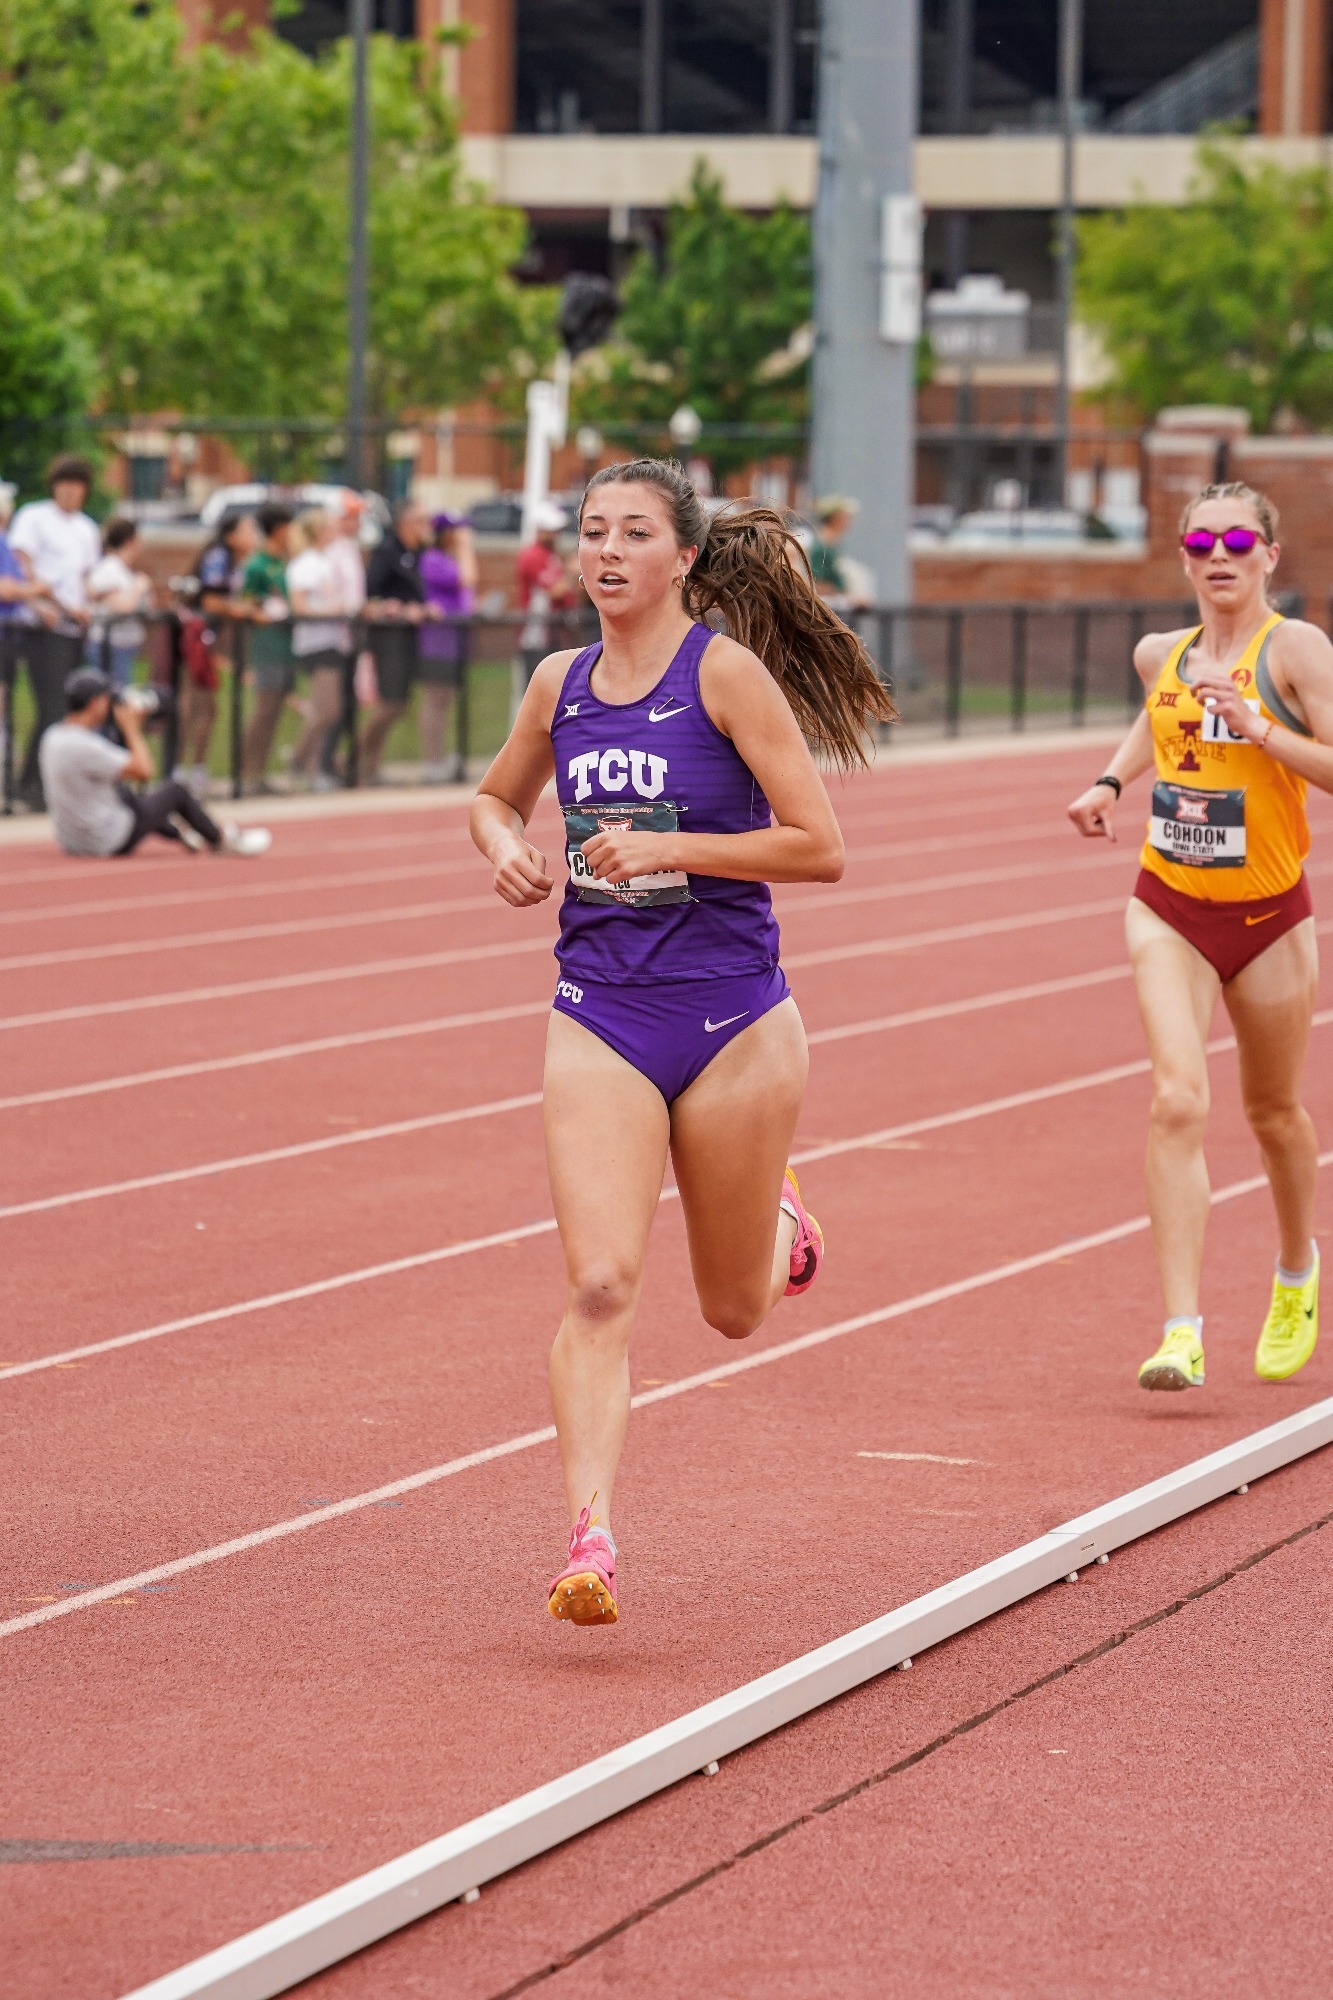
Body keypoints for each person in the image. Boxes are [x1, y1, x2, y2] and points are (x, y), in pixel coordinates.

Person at [470, 457, 895, 1625]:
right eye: (591, 530)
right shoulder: (559, 683)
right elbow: (494, 796)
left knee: (731, 1310)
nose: (605, 551)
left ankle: (779, 1224)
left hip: (733, 1021)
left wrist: (675, 850)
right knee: (600, 1280)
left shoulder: (729, 679)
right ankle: (590, 1534)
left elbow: (821, 846)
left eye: (632, 533)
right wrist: (500, 841)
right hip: (599, 1010)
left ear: (682, 558)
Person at [1068, 480, 1333, 1394]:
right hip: (1168, 904)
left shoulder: (1293, 649)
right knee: (1176, 1100)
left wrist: (1259, 726)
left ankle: (1296, 1271)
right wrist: (1108, 784)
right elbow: (1159, 716)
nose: (1217, 557)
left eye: (1235, 542)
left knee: (1271, 1113)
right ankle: (1180, 1329)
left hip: (1267, 918)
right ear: (1182, 558)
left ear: (1267, 555)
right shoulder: (1161, 652)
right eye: (1200, 544)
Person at [39, 667, 271, 859]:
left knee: (130, 797)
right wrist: (132, 729)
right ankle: (222, 840)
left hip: (70, 840)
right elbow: (144, 770)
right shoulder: (87, 746)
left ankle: (181, 834)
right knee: (174, 791)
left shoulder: (52, 737)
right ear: (95, 703)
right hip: (107, 839)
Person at [9, 454, 102, 809]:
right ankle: (30, 784)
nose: (69, 492)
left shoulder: (86, 529)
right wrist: (43, 605)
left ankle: (60, 783)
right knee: (51, 707)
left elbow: (85, 577)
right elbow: (23, 567)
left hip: (74, 628)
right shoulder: (35, 517)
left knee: (73, 710)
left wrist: (90, 603)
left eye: (76, 486)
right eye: (64, 484)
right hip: (44, 627)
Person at [181, 509, 260, 796]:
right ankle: (179, 769)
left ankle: (195, 768)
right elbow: (211, 601)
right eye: (248, 529)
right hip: (196, 635)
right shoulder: (218, 558)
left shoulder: (240, 562)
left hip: (212, 637)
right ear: (231, 535)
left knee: (208, 707)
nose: (254, 536)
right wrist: (239, 609)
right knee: (196, 704)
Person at [359, 498, 428, 785]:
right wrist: (392, 606)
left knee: (399, 703)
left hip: (411, 635)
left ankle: (370, 762)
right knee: (390, 702)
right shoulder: (387, 551)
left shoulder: (422, 553)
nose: (426, 528)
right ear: (405, 523)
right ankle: (360, 760)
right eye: (420, 521)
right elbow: (370, 590)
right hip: (388, 636)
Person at [286, 508, 350, 790]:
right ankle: (302, 762)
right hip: (315, 642)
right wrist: (331, 610)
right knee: (326, 709)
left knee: (330, 709)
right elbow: (299, 605)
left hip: (331, 640)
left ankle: (309, 764)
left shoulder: (324, 561)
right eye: (328, 526)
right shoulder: (305, 564)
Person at [417, 509, 477, 783]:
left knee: (446, 700)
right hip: (437, 641)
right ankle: (432, 760)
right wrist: (466, 548)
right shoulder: (433, 559)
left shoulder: (447, 558)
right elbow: (467, 577)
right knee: (435, 699)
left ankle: (441, 756)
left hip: (454, 639)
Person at [240, 503, 297, 793]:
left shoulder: (284, 562)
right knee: (264, 711)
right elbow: (247, 602)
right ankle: (248, 774)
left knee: (275, 713)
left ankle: (260, 775)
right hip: (267, 648)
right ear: (278, 529)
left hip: (288, 645)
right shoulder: (257, 565)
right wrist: (262, 609)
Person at [515, 500, 577, 699]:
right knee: (539, 695)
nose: (555, 534)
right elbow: (555, 590)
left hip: (554, 633)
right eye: (551, 530)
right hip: (537, 636)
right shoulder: (533, 556)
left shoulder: (551, 555)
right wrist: (573, 572)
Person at [86, 518, 152, 690]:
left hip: (125, 645)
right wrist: (139, 588)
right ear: (130, 541)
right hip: (109, 646)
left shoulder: (124, 571)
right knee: (108, 697)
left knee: (122, 695)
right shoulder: (108, 569)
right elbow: (124, 606)